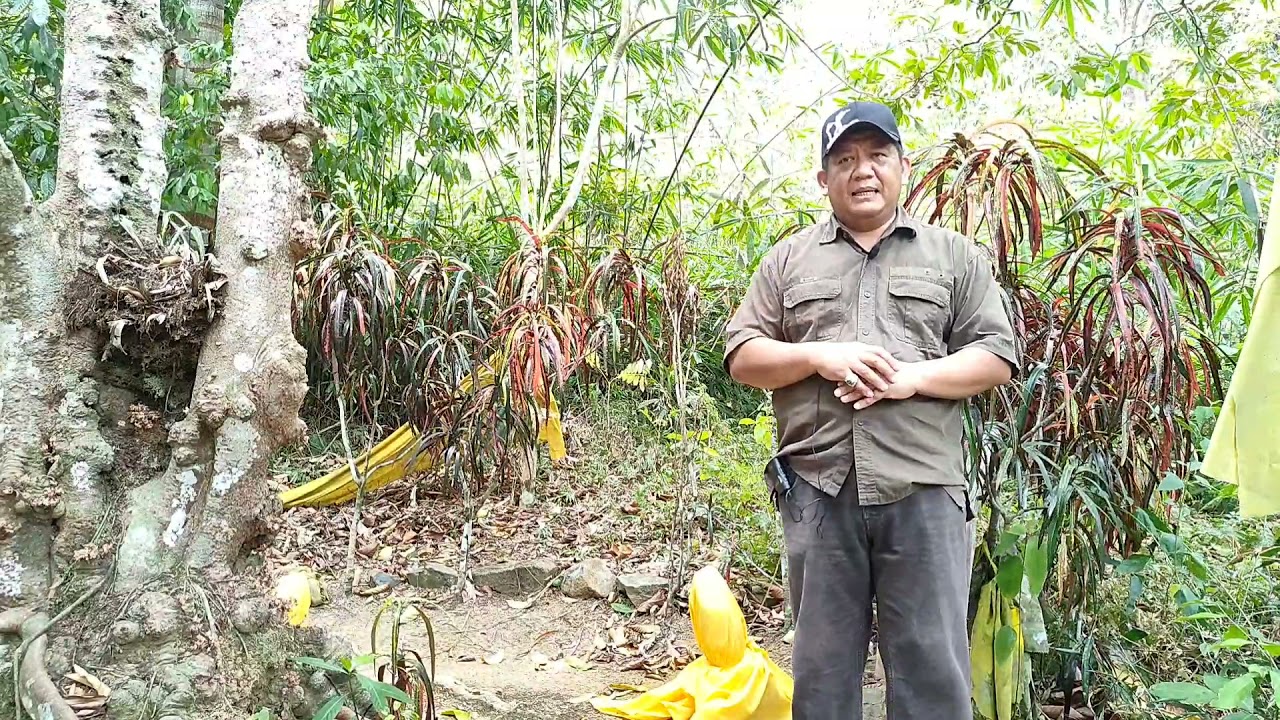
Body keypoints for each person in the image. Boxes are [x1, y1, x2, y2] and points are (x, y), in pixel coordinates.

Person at [722, 100, 1019, 719]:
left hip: (925, 491)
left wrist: (912, 378)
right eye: (845, 159)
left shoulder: (954, 257)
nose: (863, 171)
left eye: (878, 155)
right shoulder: (788, 261)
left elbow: (995, 356)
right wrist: (820, 356)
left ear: (903, 167)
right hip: (819, 491)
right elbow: (743, 356)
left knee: (932, 669)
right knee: (822, 672)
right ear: (823, 178)